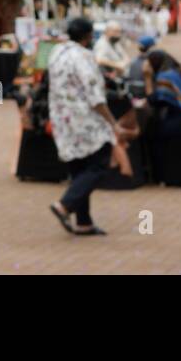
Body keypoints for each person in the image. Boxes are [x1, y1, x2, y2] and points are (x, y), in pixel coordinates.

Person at [48, 18, 124, 237]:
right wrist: (112, 121)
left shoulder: (57, 52)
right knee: (99, 164)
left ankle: (84, 222)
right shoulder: (83, 57)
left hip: (62, 119)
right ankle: (65, 205)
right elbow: (95, 96)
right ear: (88, 36)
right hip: (85, 120)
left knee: (80, 168)